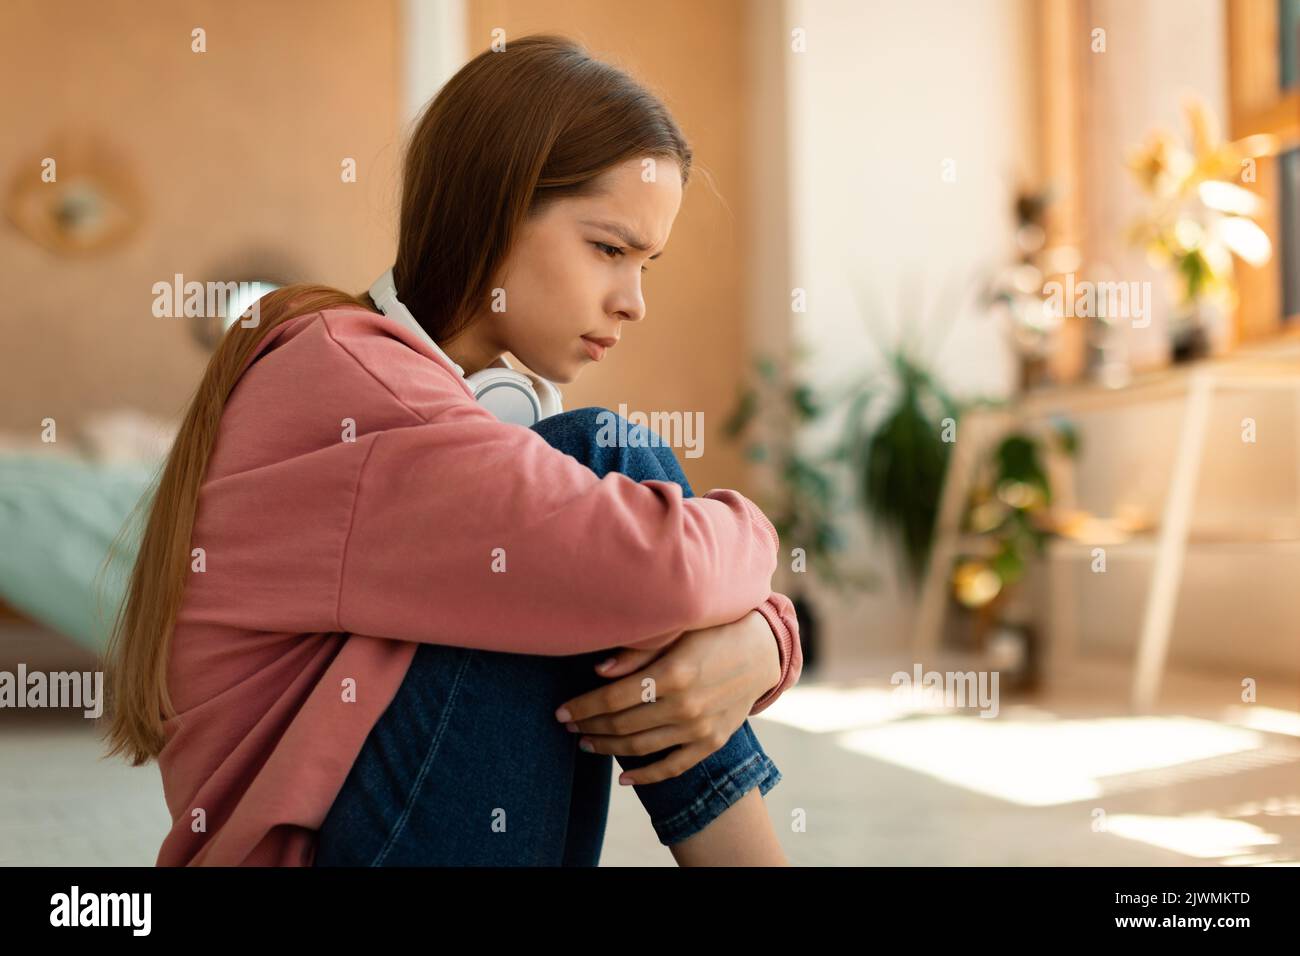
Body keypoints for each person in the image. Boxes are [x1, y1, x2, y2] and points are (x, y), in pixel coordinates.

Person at [102, 33, 802, 867]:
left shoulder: (368, 368)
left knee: (586, 514)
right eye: (610, 249)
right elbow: (672, 568)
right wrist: (768, 617)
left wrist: (759, 638)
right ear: (492, 209)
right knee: (603, 456)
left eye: (648, 263)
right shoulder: (369, 390)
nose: (633, 302)